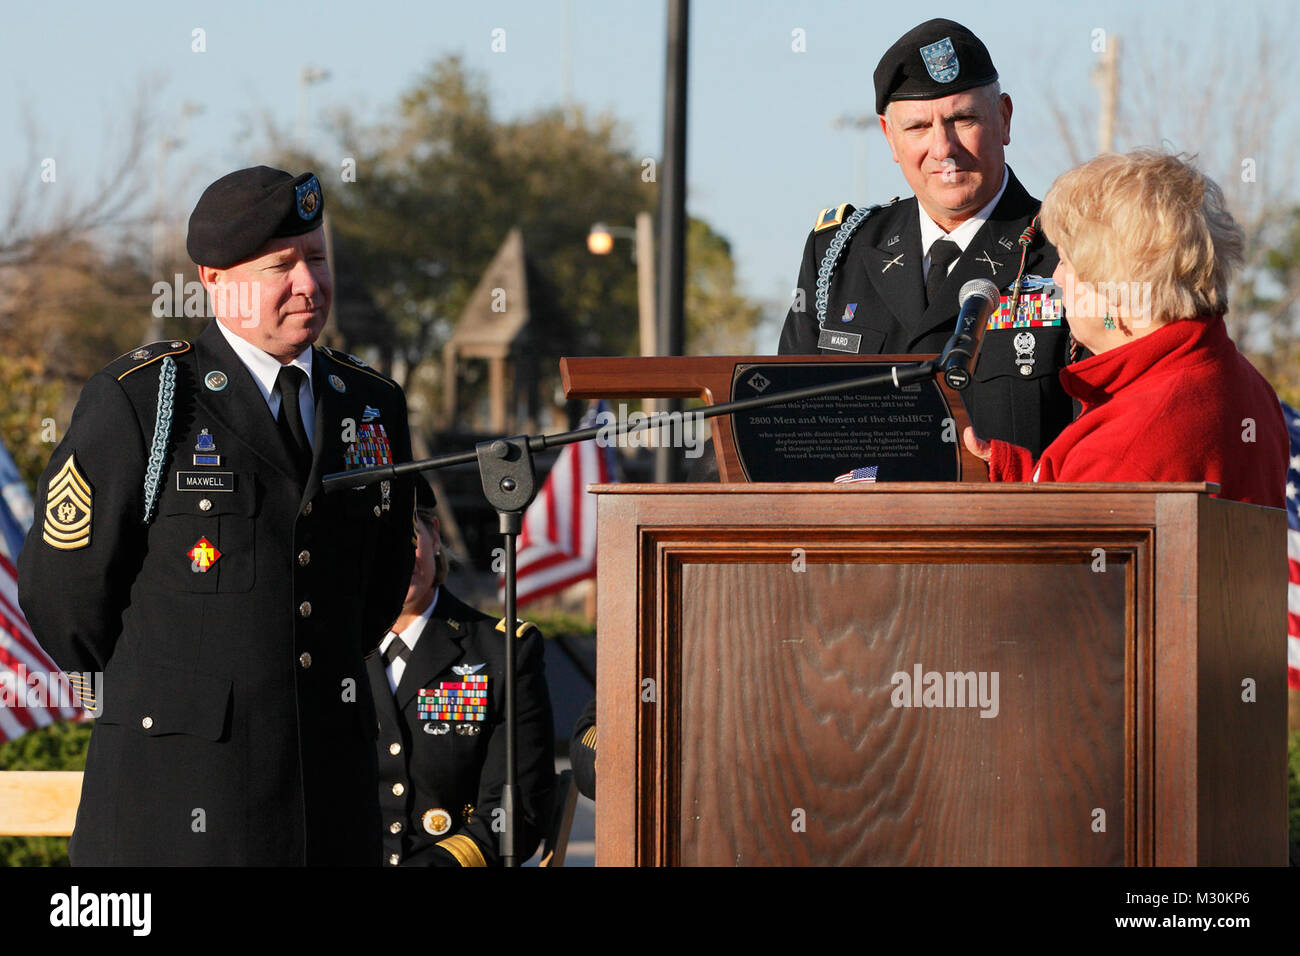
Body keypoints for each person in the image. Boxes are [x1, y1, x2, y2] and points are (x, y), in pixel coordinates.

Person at [17, 166, 416, 865]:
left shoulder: (369, 403)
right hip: (178, 801)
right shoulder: (144, 401)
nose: (308, 284)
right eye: (280, 267)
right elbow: (65, 595)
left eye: (317, 259)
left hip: (327, 805)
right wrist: (168, 688)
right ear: (214, 277)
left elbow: (378, 586)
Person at [777, 18, 1073, 459]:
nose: (943, 148)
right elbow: (781, 424)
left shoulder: (1068, 254)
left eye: (963, 119)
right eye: (918, 127)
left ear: (1004, 118)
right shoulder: (839, 254)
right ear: (889, 137)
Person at [962, 150, 1287, 506]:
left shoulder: (1124, 446)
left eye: (1067, 263)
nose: (1055, 277)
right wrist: (1016, 473)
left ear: (1115, 294)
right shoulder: (1236, 378)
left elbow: (1065, 553)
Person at [368, 478, 555, 866]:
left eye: (407, 535)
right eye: (373, 539)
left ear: (434, 536)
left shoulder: (505, 652)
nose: (397, 557)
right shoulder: (325, 654)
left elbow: (516, 815)